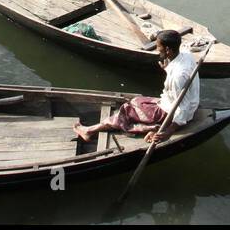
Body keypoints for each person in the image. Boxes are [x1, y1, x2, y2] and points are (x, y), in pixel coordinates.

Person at [73, 30, 201, 144]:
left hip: (172, 112)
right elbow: (181, 85)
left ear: (168, 50)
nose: (157, 50)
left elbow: (182, 109)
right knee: (136, 101)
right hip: (178, 102)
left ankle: (90, 131)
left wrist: (167, 132)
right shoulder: (186, 55)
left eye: (159, 47)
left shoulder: (178, 76)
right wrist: (167, 69)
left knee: (126, 109)